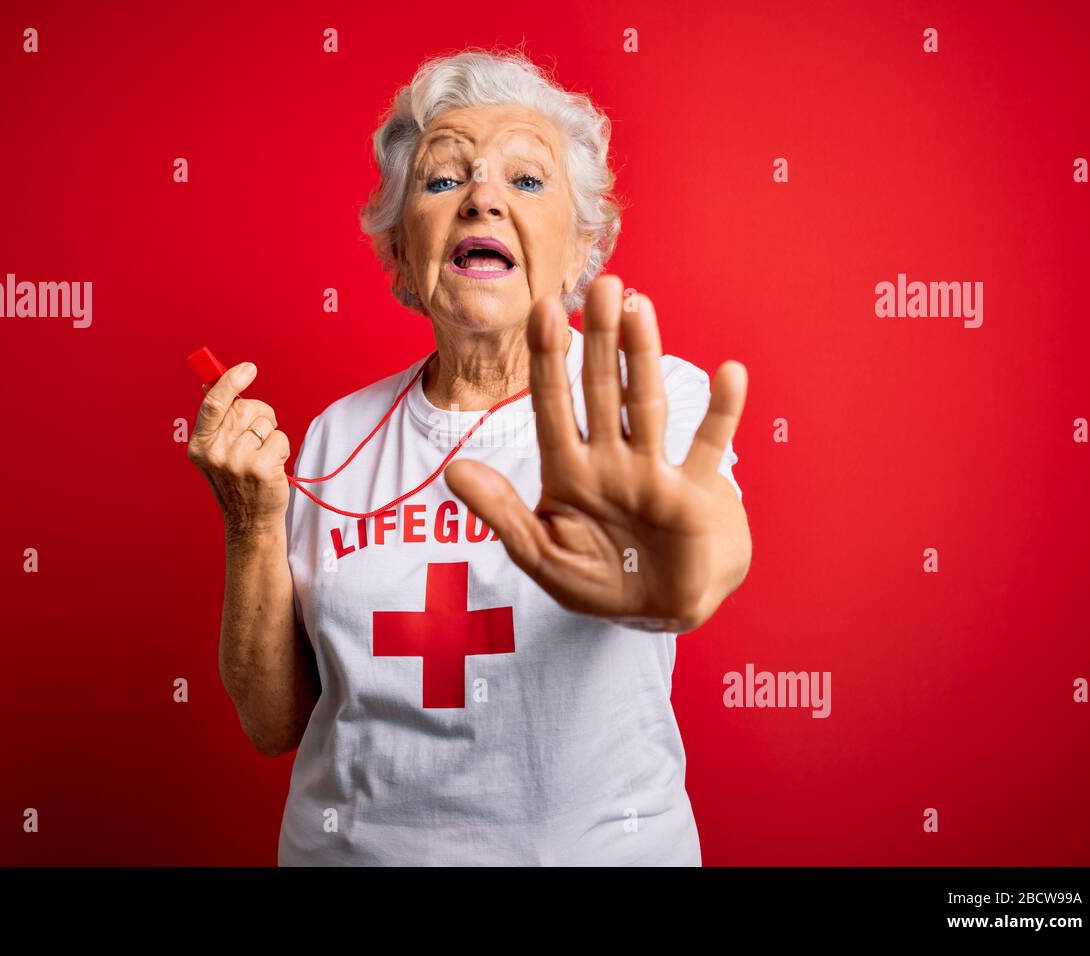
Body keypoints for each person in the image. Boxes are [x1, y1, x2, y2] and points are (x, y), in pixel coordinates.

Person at [187, 48, 752, 865]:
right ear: (398, 249)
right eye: (444, 178)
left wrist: (671, 574)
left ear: (581, 245)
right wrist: (252, 526)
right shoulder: (333, 439)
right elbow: (275, 723)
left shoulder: (644, 399)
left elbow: (708, 552)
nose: (483, 197)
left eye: (526, 181)